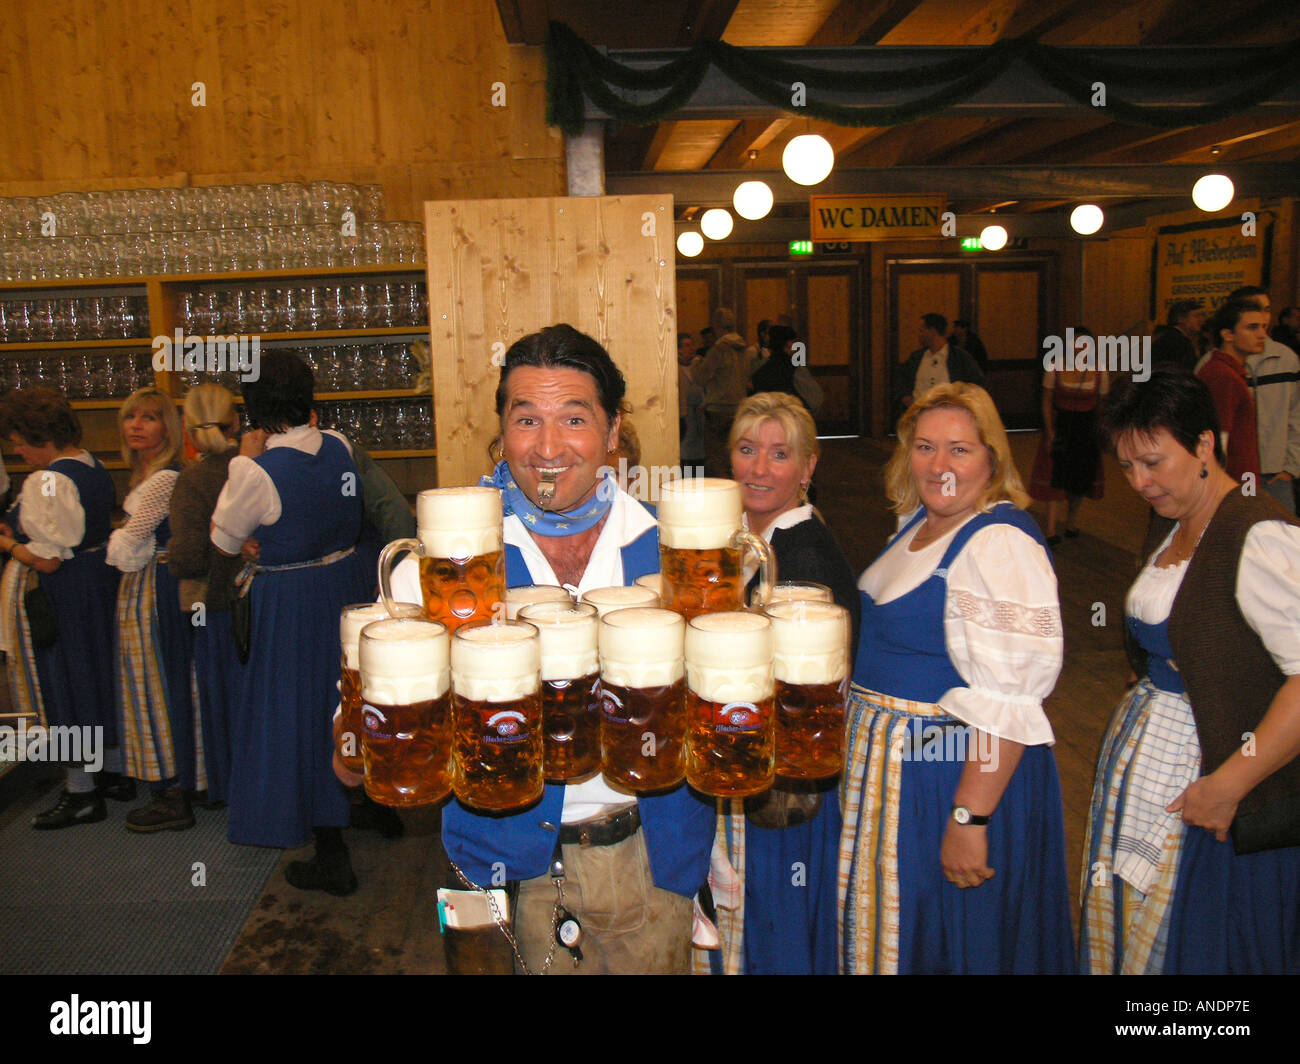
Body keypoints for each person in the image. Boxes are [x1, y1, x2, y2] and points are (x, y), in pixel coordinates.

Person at [381, 323, 714, 975]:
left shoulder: (680, 554)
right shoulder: (438, 564)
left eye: (574, 418)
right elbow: (371, 735)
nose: (549, 447)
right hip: (497, 872)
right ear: (502, 429)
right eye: (526, 419)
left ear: (614, 432)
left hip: (648, 862)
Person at [841, 382, 1073, 974]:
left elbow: (1010, 698)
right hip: (898, 776)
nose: (938, 465)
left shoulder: (997, 542)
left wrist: (969, 819)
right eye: (924, 447)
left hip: (948, 778)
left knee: (951, 938)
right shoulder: (918, 522)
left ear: (993, 457)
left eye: (960, 450)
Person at [1080, 367, 1300, 975]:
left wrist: (1227, 787)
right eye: (1126, 467)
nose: (1139, 482)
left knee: (1207, 949)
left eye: (1152, 462)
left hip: (1222, 787)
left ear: (1205, 443)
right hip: (1162, 773)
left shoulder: (1258, 534)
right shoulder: (1176, 522)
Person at [708, 391, 858, 975]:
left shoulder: (805, 556)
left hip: (782, 788)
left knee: (771, 926)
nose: (759, 469)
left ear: (809, 467)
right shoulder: (750, 542)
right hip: (747, 771)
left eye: (779, 455)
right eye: (747, 451)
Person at [211, 351, 368, 890]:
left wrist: (243, 457)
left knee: (296, 714)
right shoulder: (341, 446)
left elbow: (223, 539)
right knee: (346, 696)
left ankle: (330, 846)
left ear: (253, 407)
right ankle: (365, 803)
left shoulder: (253, 469)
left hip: (291, 598)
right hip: (348, 586)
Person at [0, 388, 124, 827]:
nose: (15, 450)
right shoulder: (91, 463)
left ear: (39, 436)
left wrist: (9, 543)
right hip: (96, 580)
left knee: (66, 685)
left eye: (18, 441)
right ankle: (111, 768)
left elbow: (49, 559)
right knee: (95, 676)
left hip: (66, 591)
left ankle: (81, 791)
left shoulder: (46, 480)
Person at [110, 387, 201, 832]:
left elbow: (124, 551)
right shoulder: (144, 476)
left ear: (169, 426)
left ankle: (174, 789)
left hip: (156, 586)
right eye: (131, 417)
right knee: (156, 680)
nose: (137, 426)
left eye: (149, 417)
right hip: (146, 584)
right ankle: (179, 781)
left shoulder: (164, 478)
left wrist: (116, 536)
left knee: (158, 681)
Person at [167, 383, 243, 807]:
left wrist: (170, 559)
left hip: (209, 603)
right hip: (252, 596)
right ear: (236, 420)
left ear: (188, 428)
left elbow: (190, 556)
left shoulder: (193, 479)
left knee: (218, 702)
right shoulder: (255, 465)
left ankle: (228, 789)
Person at [1029, 326, 1108, 545]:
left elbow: (1102, 405)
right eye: (1077, 344)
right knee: (1056, 477)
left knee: (1080, 479)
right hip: (1061, 426)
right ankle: (1052, 529)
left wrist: (1100, 432)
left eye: (1085, 344)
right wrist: (1050, 429)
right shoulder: (1055, 366)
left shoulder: (1100, 370)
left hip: (1087, 428)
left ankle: (1071, 522)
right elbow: (1046, 399)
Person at [1230, 286, 1300, 513]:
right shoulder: (1215, 366)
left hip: (1275, 472)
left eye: (1267, 310)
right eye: (1255, 309)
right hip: (1236, 472)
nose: (1263, 317)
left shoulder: (1285, 358)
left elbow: (1296, 413)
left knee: (1282, 539)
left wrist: (1290, 466)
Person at [1197, 297, 1268, 483]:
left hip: (1241, 483)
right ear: (1228, 334)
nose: (1262, 335)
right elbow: (1217, 442)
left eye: (1263, 327)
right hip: (1233, 487)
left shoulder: (1229, 372)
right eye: (1252, 328)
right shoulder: (1222, 375)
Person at [697, 307, 751, 477]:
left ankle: (721, 497)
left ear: (717, 327)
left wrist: (697, 363)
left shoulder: (719, 350)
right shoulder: (744, 349)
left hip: (717, 411)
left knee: (716, 459)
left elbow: (700, 378)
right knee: (735, 458)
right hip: (739, 410)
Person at [896, 313, 985, 414]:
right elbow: (901, 381)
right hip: (918, 416)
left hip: (950, 417)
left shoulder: (960, 358)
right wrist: (907, 399)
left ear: (932, 331)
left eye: (921, 330)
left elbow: (976, 386)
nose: (919, 334)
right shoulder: (916, 358)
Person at [749, 325, 824, 417]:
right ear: (788, 344)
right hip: (792, 417)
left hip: (767, 417)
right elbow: (815, 400)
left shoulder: (760, 370)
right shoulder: (796, 369)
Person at [1151, 299, 1206, 372]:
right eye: (1196, 316)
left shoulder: (1168, 336)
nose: (1201, 319)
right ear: (1180, 319)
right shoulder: (1175, 341)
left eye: (1202, 315)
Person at [677, 331, 705, 472]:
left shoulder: (699, 367)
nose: (691, 348)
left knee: (699, 461)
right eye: (686, 346)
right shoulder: (675, 369)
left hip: (699, 418)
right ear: (678, 350)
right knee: (685, 457)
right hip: (684, 418)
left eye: (692, 345)